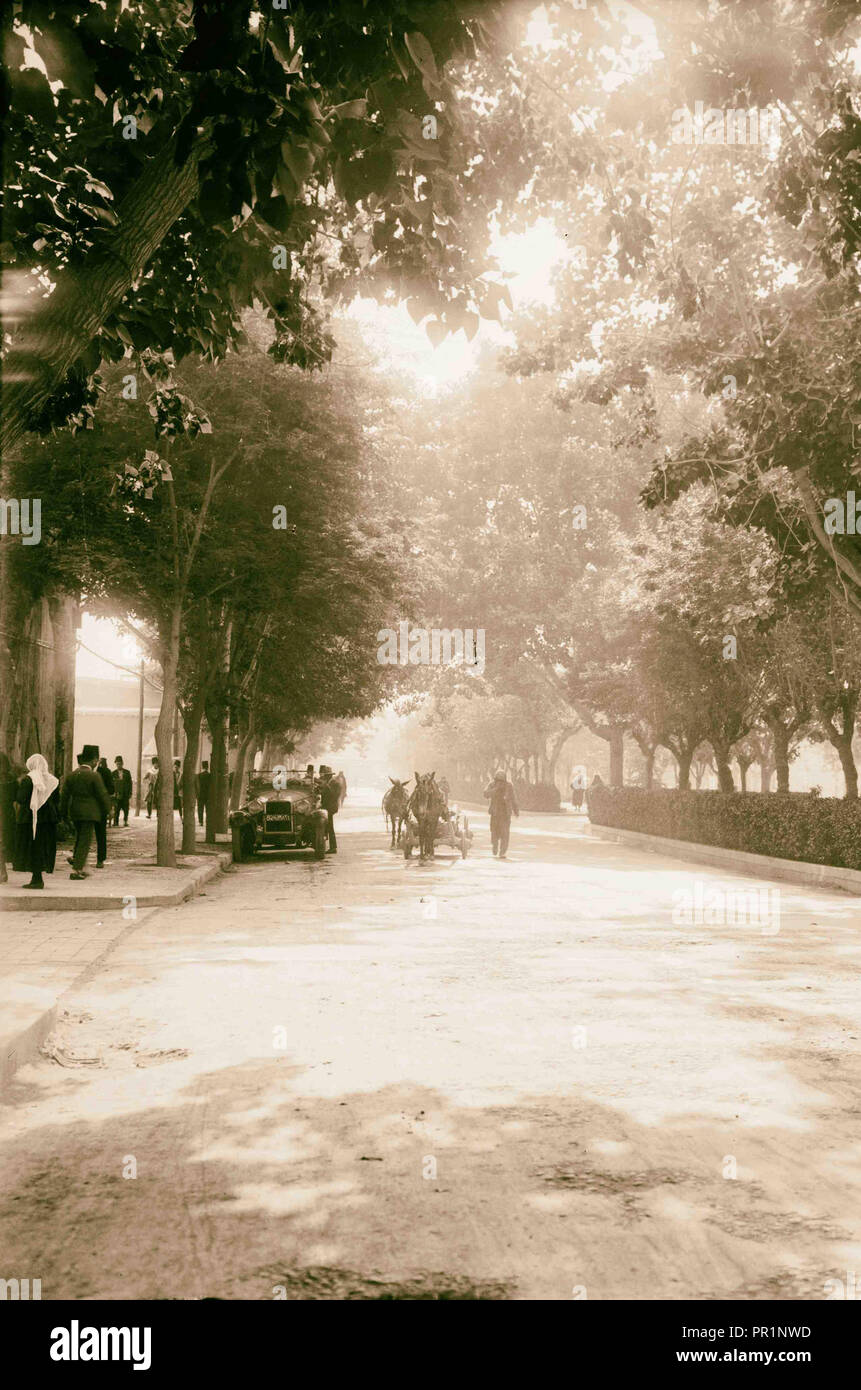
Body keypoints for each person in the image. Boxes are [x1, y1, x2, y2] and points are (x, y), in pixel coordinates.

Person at [60, 745, 112, 878]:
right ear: (94, 760)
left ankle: (79, 862)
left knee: (79, 838)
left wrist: (63, 814)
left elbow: (64, 797)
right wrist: (108, 810)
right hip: (90, 814)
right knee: (85, 840)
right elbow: (102, 795)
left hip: (75, 812)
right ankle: (77, 870)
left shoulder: (71, 775)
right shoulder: (94, 776)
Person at [483, 770, 520, 860]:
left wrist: (516, 810)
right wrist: (496, 789)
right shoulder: (492, 785)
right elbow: (486, 794)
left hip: (505, 814)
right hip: (495, 813)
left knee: (505, 833)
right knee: (494, 831)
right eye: (498, 780)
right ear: (495, 779)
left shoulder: (509, 786)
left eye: (502, 781)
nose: (500, 783)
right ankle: (495, 845)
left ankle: (502, 851)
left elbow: (513, 798)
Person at [319, 770, 340, 853]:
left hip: (330, 808)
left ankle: (333, 847)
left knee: (330, 827)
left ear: (329, 776)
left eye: (326, 776)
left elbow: (333, 795)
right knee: (328, 827)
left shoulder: (335, 783)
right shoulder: (330, 783)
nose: (324, 777)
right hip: (327, 807)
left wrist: (326, 786)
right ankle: (331, 846)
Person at [113, 756, 132, 826]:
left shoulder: (127, 772)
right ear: (116, 764)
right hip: (117, 793)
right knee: (116, 808)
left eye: (120, 764)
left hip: (125, 793)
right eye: (117, 764)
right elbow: (112, 784)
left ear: (122, 764)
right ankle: (116, 822)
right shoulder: (113, 773)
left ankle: (125, 821)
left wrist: (130, 792)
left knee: (126, 808)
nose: (119, 765)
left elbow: (130, 783)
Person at [195, 760, 211, 827]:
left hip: (200, 795)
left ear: (202, 767)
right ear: (207, 767)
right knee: (208, 809)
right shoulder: (210, 775)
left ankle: (201, 822)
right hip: (208, 795)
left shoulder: (199, 775)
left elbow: (197, 786)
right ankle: (208, 821)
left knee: (200, 809)